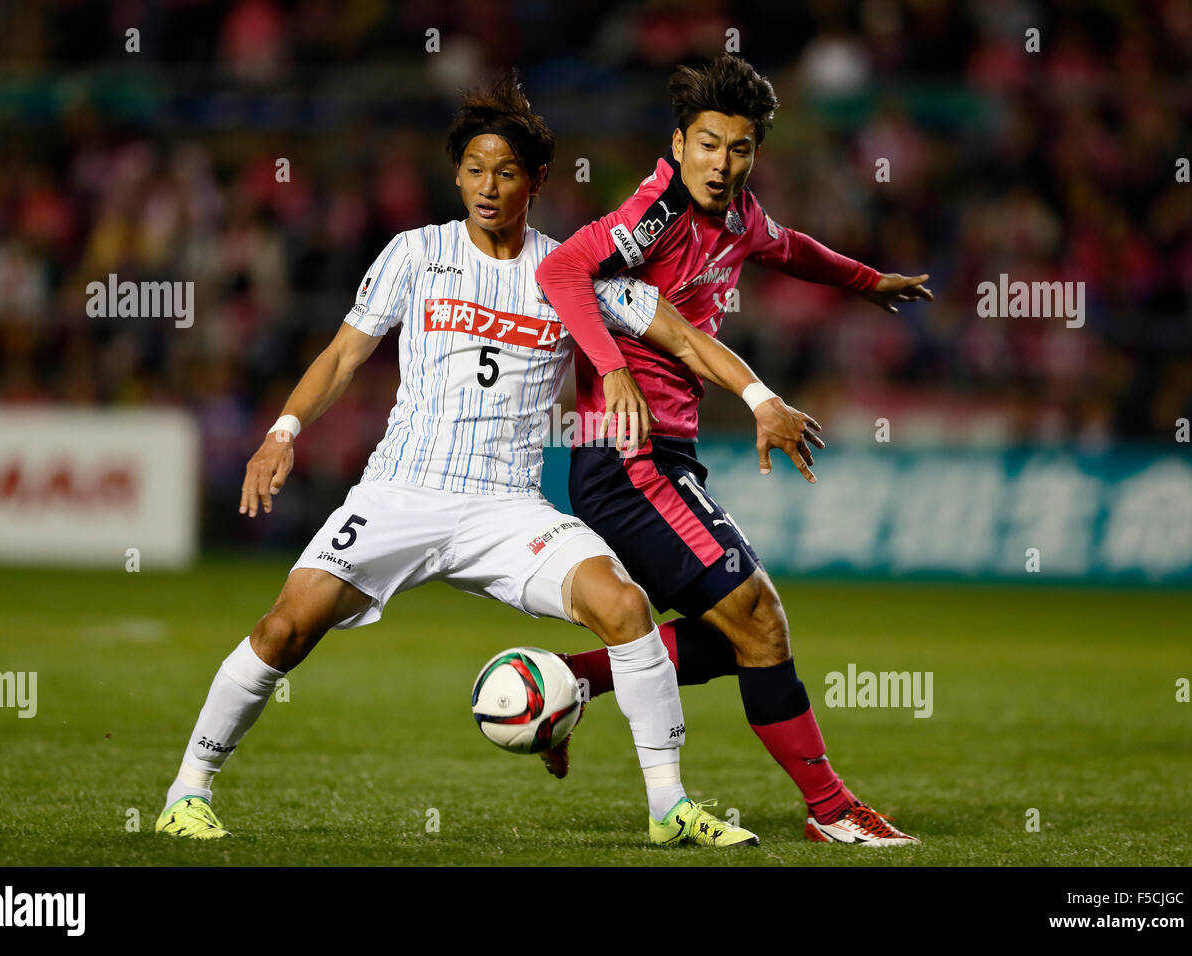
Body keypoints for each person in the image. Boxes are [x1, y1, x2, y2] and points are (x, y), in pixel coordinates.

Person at [155, 75, 816, 849]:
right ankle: (187, 789)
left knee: (625, 609)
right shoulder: (416, 253)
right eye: (474, 169)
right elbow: (341, 357)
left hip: (507, 507)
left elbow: (683, 335)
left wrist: (763, 397)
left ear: (535, 180)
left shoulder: (571, 272)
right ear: (458, 176)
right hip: (403, 492)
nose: (488, 187)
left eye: (505, 172)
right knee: (285, 627)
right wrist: (283, 431)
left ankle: (669, 805)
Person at [534, 55, 932, 846]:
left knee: (741, 634)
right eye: (708, 144)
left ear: (755, 153)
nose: (722, 164)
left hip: (667, 458)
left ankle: (573, 681)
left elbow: (791, 249)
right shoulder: (655, 211)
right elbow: (560, 268)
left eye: (739, 148)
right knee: (761, 619)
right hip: (627, 460)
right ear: (680, 143)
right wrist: (611, 372)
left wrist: (865, 281)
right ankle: (831, 810)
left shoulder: (741, 215)